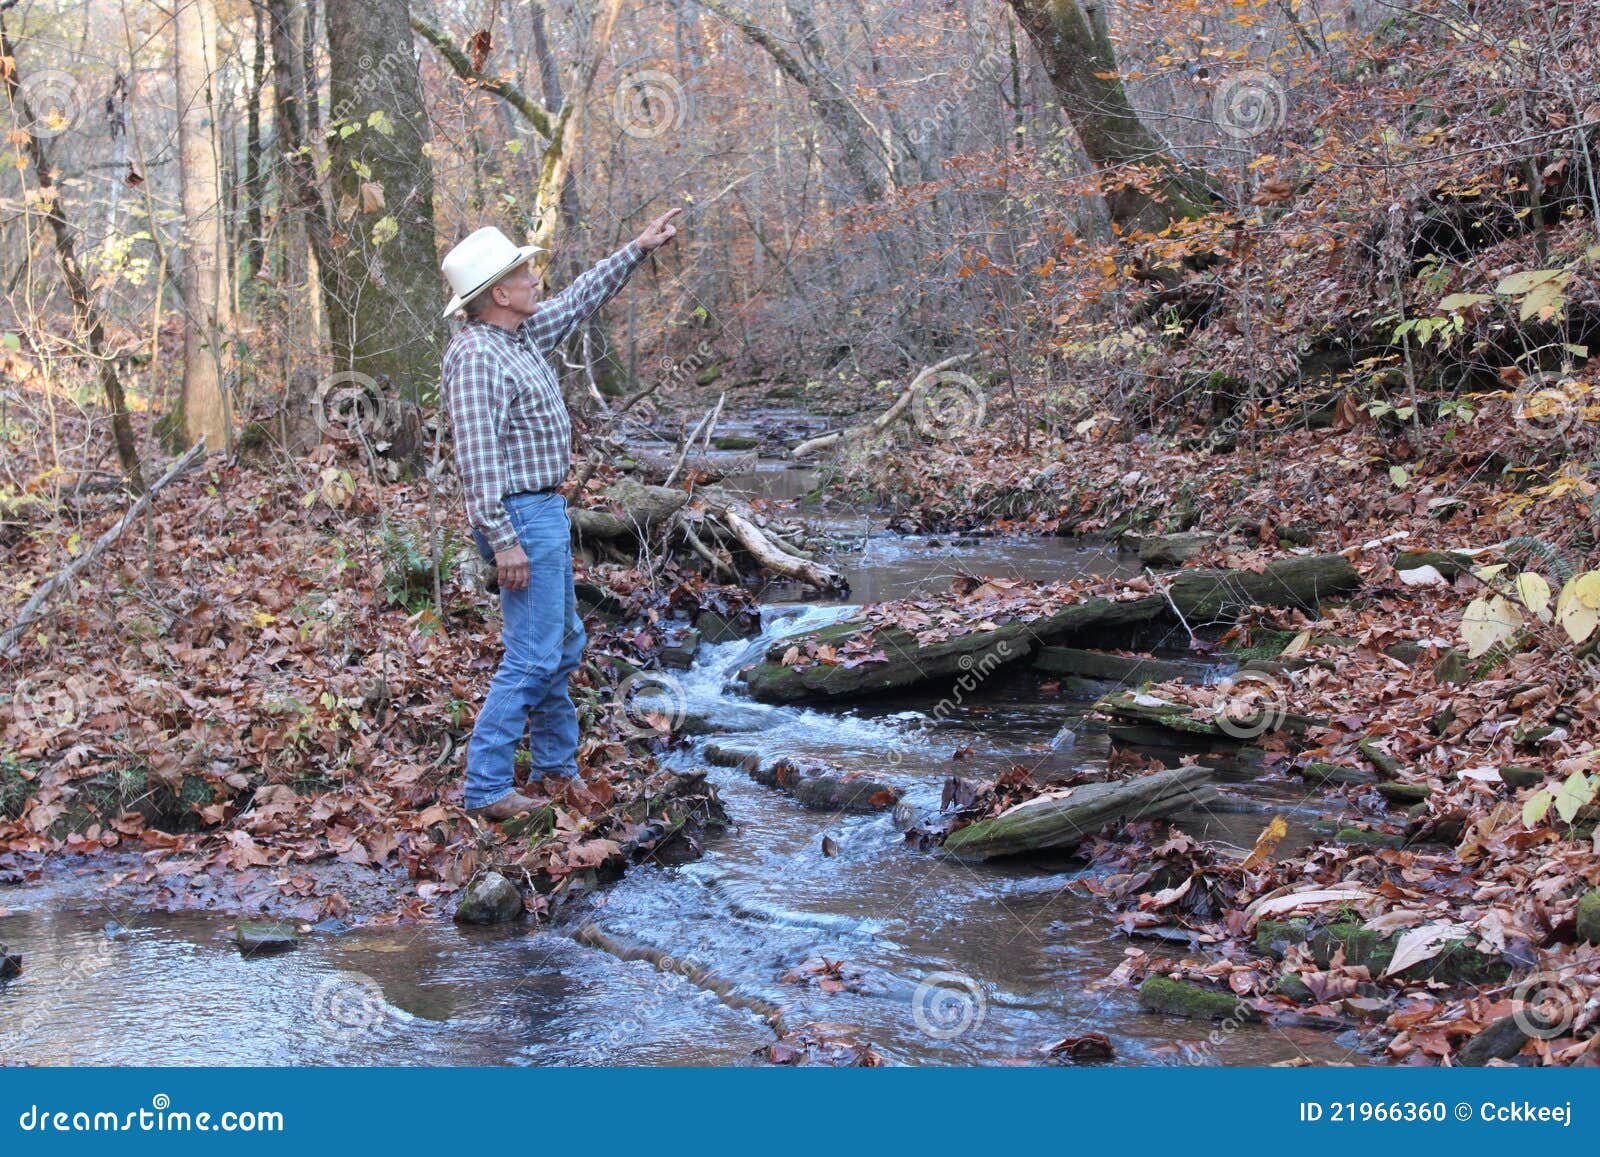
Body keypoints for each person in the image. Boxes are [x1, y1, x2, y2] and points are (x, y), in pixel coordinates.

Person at [439, 209, 683, 820]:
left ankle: (555, 768)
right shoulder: (477, 357)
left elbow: (577, 300)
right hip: (518, 517)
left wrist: (637, 248)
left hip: (543, 510)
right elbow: (477, 459)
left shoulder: (516, 338)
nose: (536, 280)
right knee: (533, 654)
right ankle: (488, 786)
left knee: (562, 642)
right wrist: (503, 542)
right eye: (525, 273)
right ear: (499, 292)